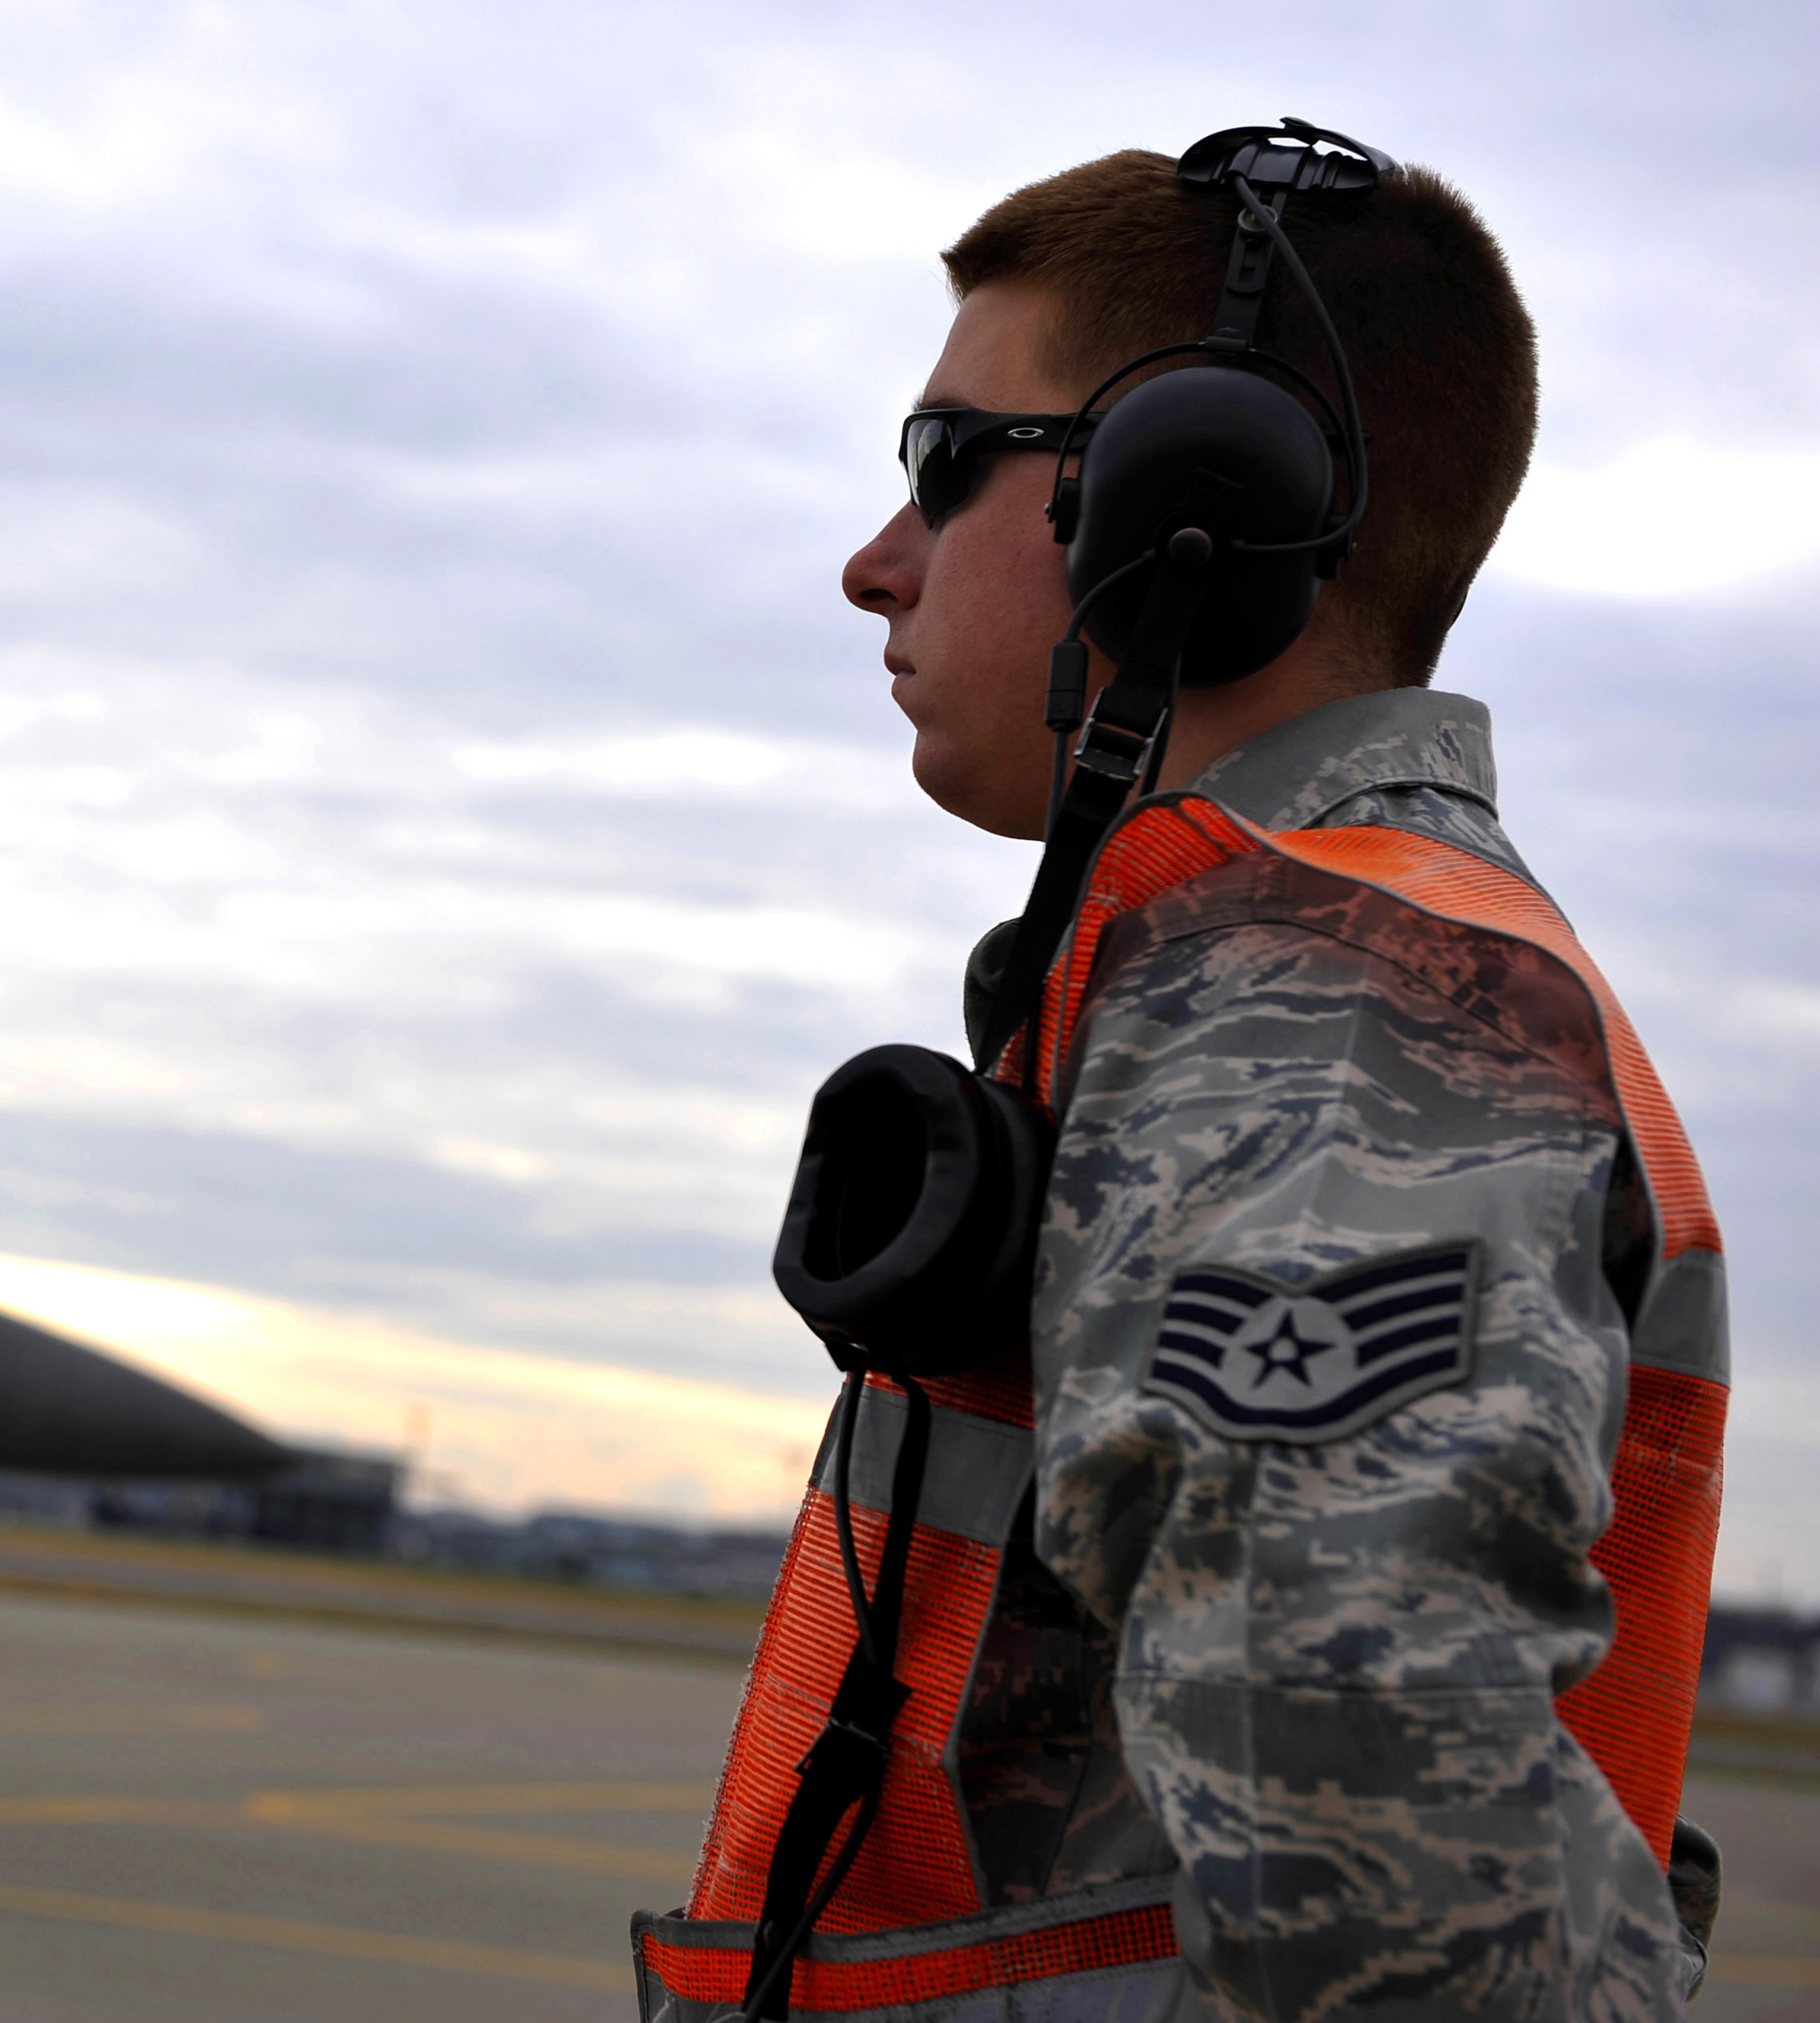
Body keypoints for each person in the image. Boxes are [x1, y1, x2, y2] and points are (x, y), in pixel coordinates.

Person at [631, 136, 1728, 2021]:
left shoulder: (1329, 1010)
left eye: (949, 461)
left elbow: (1388, 1886)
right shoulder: (1272, 970)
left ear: (1189, 504)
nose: (870, 561)